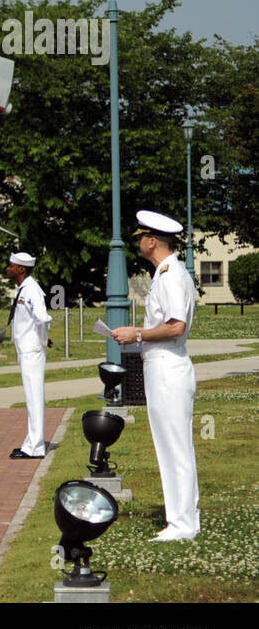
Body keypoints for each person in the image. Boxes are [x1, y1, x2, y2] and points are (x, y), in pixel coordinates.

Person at [112, 210, 200, 542]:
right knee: (175, 446)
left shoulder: (171, 275)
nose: (138, 243)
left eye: (140, 238)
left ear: (152, 241)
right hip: (163, 367)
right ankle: (185, 516)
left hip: (168, 368)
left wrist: (137, 334)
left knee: (174, 447)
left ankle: (181, 524)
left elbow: (176, 326)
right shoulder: (167, 273)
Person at [6, 251, 51, 459]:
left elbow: (42, 318)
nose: (8, 268)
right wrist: (42, 337)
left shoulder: (32, 289)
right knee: (31, 397)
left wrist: (41, 340)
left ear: (21, 269)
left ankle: (35, 446)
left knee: (34, 397)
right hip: (28, 349)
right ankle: (31, 443)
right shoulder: (25, 288)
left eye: (11, 265)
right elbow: (35, 320)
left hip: (32, 350)